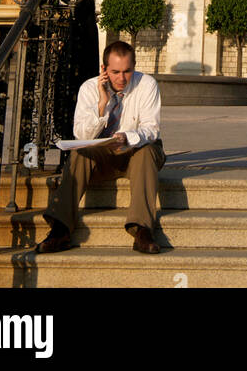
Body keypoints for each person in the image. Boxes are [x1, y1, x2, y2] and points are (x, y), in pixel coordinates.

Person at [35, 40, 166, 255]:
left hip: (136, 152)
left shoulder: (147, 84)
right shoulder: (89, 88)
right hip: (102, 156)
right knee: (80, 152)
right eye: (115, 72)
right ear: (104, 69)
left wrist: (128, 137)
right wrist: (102, 104)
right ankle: (60, 229)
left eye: (127, 71)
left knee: (147, 151)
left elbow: (151, 129)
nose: (121, 78)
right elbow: (82, 135)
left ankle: (142, 229)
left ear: (134, 67)